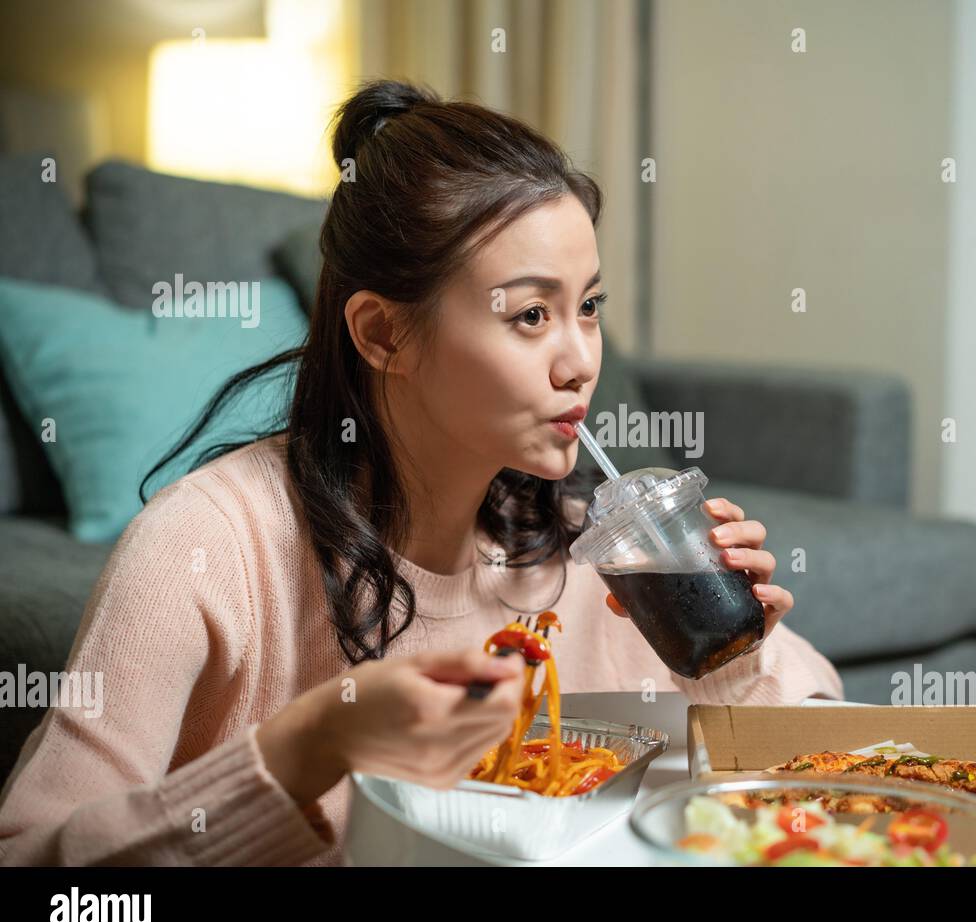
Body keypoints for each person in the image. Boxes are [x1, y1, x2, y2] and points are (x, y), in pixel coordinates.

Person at [0, 80, 843, 866]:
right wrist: (305, 748)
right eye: (530, 314)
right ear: (382, 335)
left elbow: (825, 750)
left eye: (587, 307)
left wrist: (730, 660)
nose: (580, 359)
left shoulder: (594, 551)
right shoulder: (207, 545)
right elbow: (40, 867)